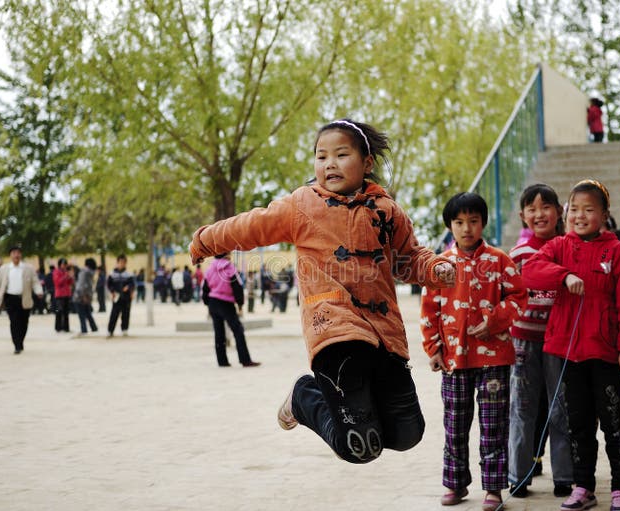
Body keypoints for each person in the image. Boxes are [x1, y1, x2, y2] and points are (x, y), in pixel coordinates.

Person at [189, 118, 456, 464]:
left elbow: (407, 259)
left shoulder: (387, 210)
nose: (329, 164)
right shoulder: (302, 205)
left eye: (341, 154)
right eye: (321, 156)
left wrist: (436, 269)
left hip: (384, 332)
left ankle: (345, 401)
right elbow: (251, 225)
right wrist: (205, 240)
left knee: (407, 433)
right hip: (333, 330)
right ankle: (305, 398)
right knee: (358, 446)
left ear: (367, 163)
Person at [523, 179, 620, 511]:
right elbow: (530, 272)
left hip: (606, 354)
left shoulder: (617, 251)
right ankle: (583, 487)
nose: (579, 216)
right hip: (568, 354)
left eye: (589, 210)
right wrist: (563, 276)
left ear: (604, 214)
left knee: (614, 422)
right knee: (578, 425)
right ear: (565, 212)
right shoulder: (558, 246)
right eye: (574, 209)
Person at [420, 192, 527, 511]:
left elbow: (520, 297)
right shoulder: (440, 266)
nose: (466, 228)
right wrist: (433, 349)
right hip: (454, 358)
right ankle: (455, 484)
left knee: (493, 424)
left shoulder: (499, 260)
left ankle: (493, 488)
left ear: (483, 222)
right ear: (450, 226)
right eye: (459, 222)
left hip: (494, 359)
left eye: (473, 221)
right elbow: (430, 311)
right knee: (455, 423)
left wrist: (494, 321)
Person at [507, 184, 573, 499]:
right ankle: (518, 476)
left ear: (559, 212)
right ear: (523, 216)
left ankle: (565, 476)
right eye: (531, 209)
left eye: (546, 206)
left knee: (561, 409)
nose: (539, 214)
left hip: (560, 342)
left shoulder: (568, 250)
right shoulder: (517, 255)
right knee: (522, 408)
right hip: (523, 342)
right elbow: (504, 295)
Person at [202, 252, 260, 367]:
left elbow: (205, 287)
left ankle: (222, 361)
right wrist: (240, 304)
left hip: (213, 302)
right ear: (227, 255)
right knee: (238, 330)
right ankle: (245, 360)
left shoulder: (209, 268)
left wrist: (207, 303)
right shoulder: (230, 268)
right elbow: (237, 286)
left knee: (219, 333)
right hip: (226, 303)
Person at [0, 246, 43, 354]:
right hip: (10, 298)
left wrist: (39, 291)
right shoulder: (4, 269)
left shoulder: (28, 268)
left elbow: (35, 282)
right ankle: (17, 345)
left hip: (24, 298)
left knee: (24, 322)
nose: (16, 255)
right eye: (14, 253)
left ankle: (20, 341)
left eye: (18, 253)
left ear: (21, 255)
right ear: (10, 255)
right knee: (14, 321)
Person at [107, 254, 135, 337]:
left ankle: (124, 329)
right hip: (116, 297)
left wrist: (129, 288)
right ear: (117, 262)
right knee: (114, 314)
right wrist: (112, 292)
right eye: (120, 262)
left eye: (124, 262)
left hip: (126, 297)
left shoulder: (128, 274)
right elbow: (109, 284)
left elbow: (132, 284)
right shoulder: (112, 274)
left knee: (126, 314)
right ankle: (110, 330)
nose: (122, 264)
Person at [73, 257, 99, 335]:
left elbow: (81, 285)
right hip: (88, 295)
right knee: (88, 313)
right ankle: (94, 327)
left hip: (80, 296)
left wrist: (82, 295)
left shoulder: (84, 272)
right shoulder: (91, 273)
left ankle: (84, 329)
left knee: (81, 314)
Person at [53, 257, 74, 333]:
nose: (64, 265)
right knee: (59, 311)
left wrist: (71, 277)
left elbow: (70, 283)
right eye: (63, 264)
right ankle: (58, 327)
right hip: (59, 295)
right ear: (60, 264)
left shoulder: (66, 272)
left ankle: (66, 328)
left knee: (66, 312)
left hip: (67, 294)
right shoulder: (56, 272)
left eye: (65, 264)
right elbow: (58, 282)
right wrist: (65, 276)